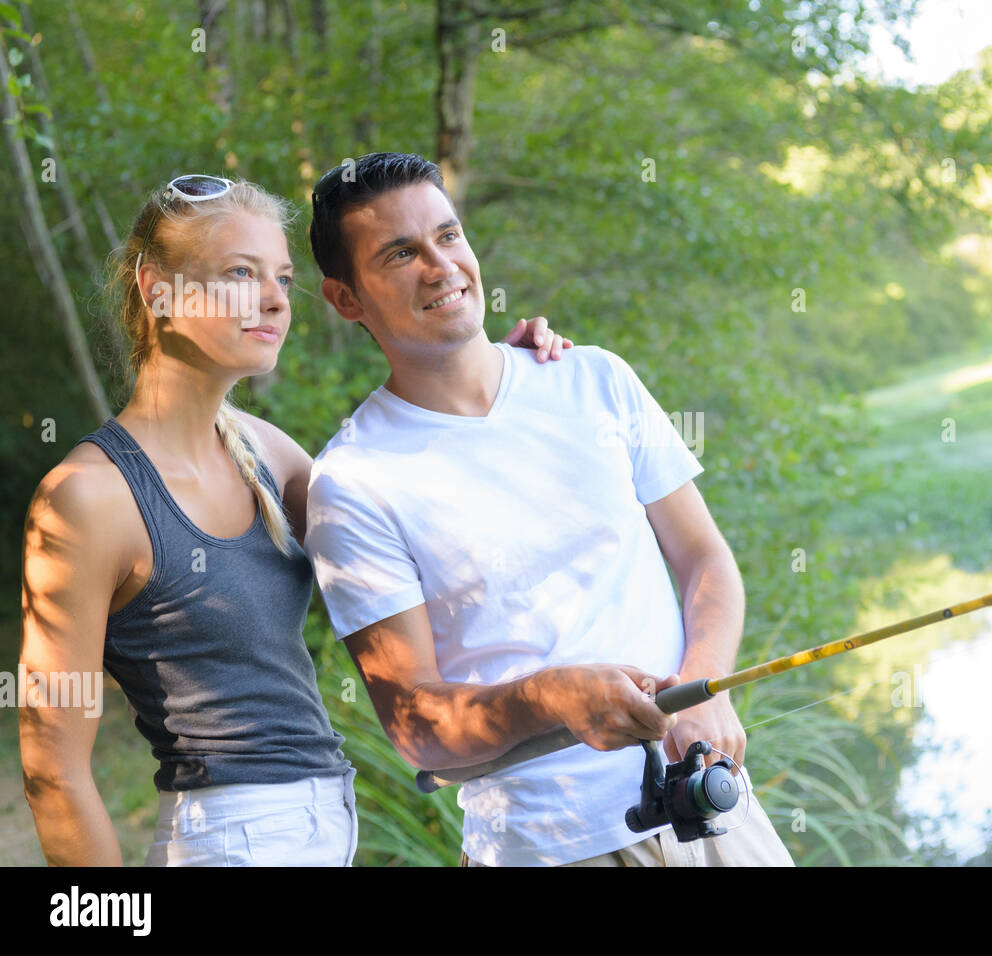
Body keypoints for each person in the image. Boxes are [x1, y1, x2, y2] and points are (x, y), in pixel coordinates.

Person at [18, 173, 569, 866]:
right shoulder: (88, 498)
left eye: (281, 276)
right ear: (159, 291)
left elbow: (423, 530)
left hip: (330, 825)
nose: (277, 298)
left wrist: (495, 374)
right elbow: (52, 772)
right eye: (241, 273)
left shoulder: (269, 455)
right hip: (222, 840)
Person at [304, 152, 795, 866]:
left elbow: (704, 561)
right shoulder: (352, 481)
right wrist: (547, 698)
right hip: (547, 847)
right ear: (346, 299)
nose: (440, 267)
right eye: (400, 253)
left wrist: (703, 692)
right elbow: (413, 723)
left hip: (715, 808)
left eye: (448, 235)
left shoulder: (594, 377)